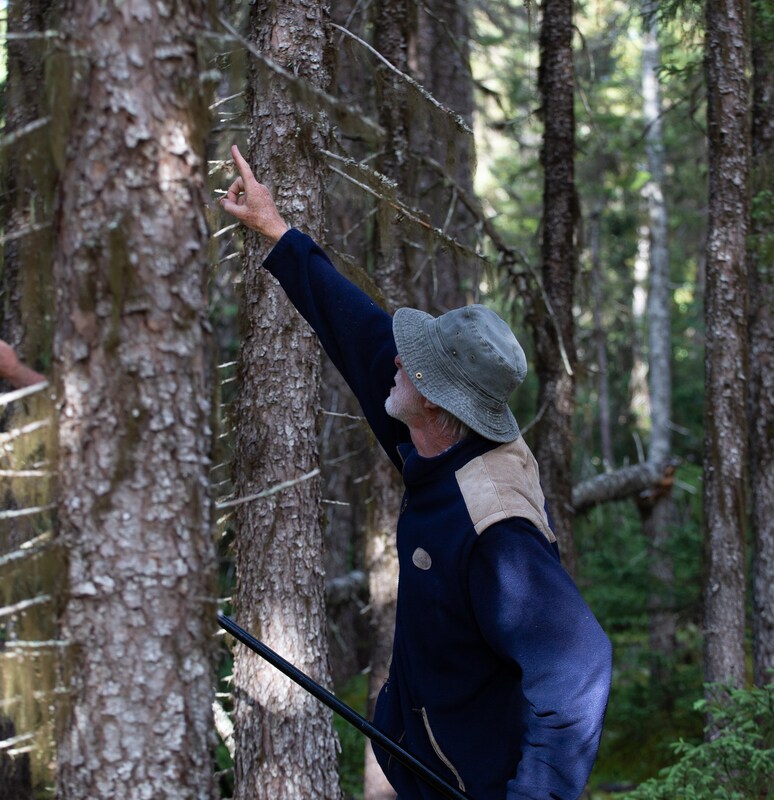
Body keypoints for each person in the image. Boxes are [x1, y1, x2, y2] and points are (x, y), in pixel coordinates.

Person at [221, 145, 612, 800]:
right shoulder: (429, 427)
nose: (397, 359)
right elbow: (358, 330)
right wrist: (277, 233)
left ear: (438, 396)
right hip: (422, 765)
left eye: (414, 360)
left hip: (472, 785)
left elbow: (579, 671)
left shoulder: (497, 531)